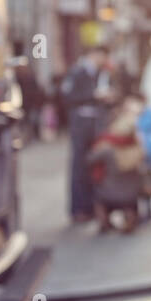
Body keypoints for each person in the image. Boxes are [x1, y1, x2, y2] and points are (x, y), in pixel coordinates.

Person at [86, 99, 151, 233]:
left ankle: (103, 220)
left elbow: (89, 160)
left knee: (96, 194)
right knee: (130, 195)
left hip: (107, 193)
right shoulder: (137, 148)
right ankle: (130, 219)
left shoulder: (106, 147)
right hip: (131, 195)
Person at [61, 45, 109, 223]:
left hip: (92, 123)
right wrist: (93, 95)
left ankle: (90, 207)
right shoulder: (78, 71)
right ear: (95, 55)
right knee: (79, 165)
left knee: (91, 164)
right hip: (81, 123)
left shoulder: (96, 73)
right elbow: (68, 96)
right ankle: (78, 209)